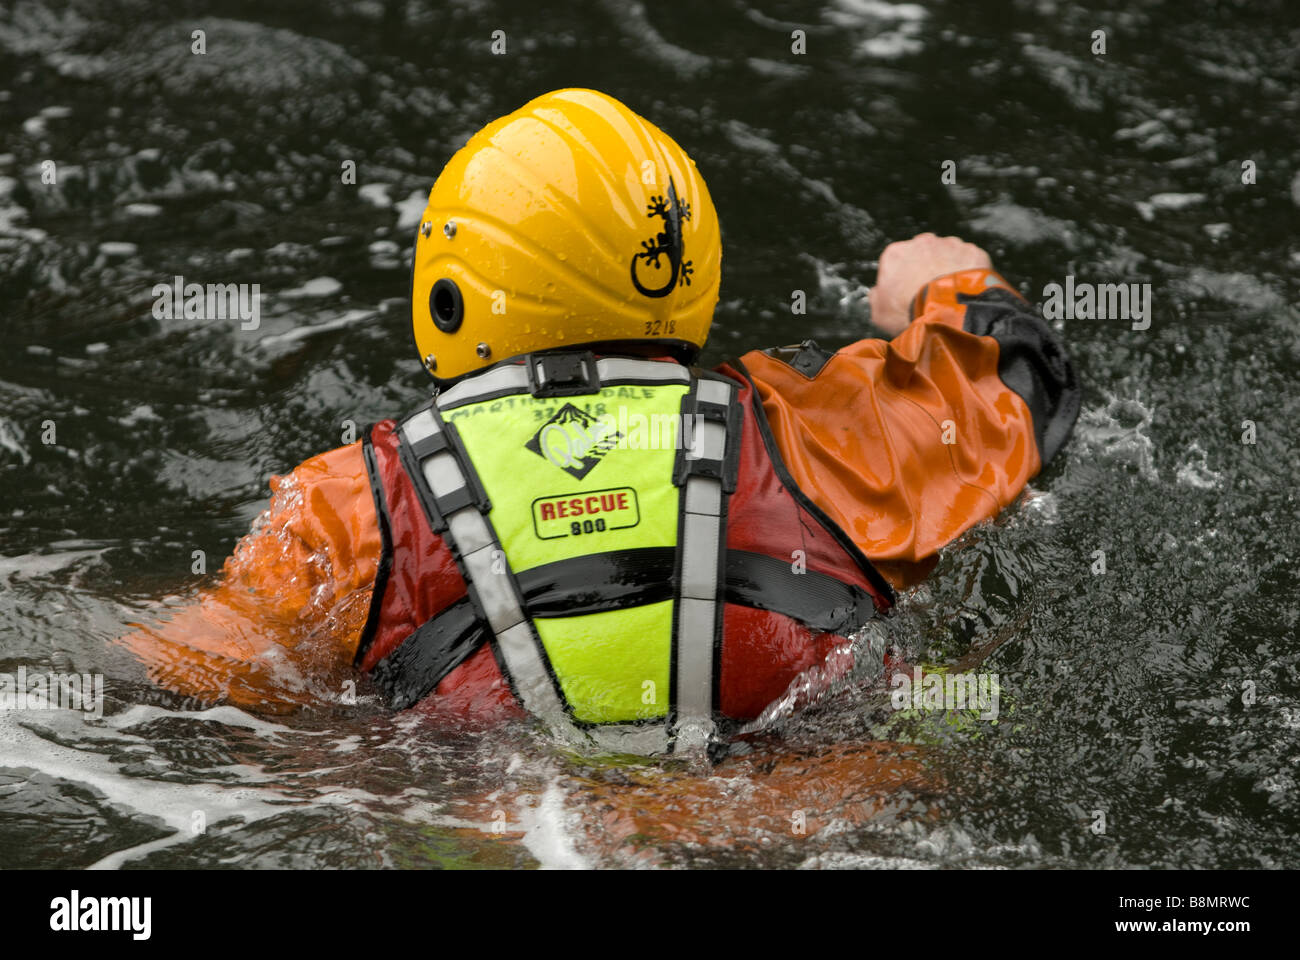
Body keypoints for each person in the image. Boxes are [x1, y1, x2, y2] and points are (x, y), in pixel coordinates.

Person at [119, 88, 1079, 757]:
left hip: (498, 826)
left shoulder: (352, 509)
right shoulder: (820, 441)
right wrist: (949, 283)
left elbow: (184, 686)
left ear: (450, 294)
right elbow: (1022, 385)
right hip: (805, 814)